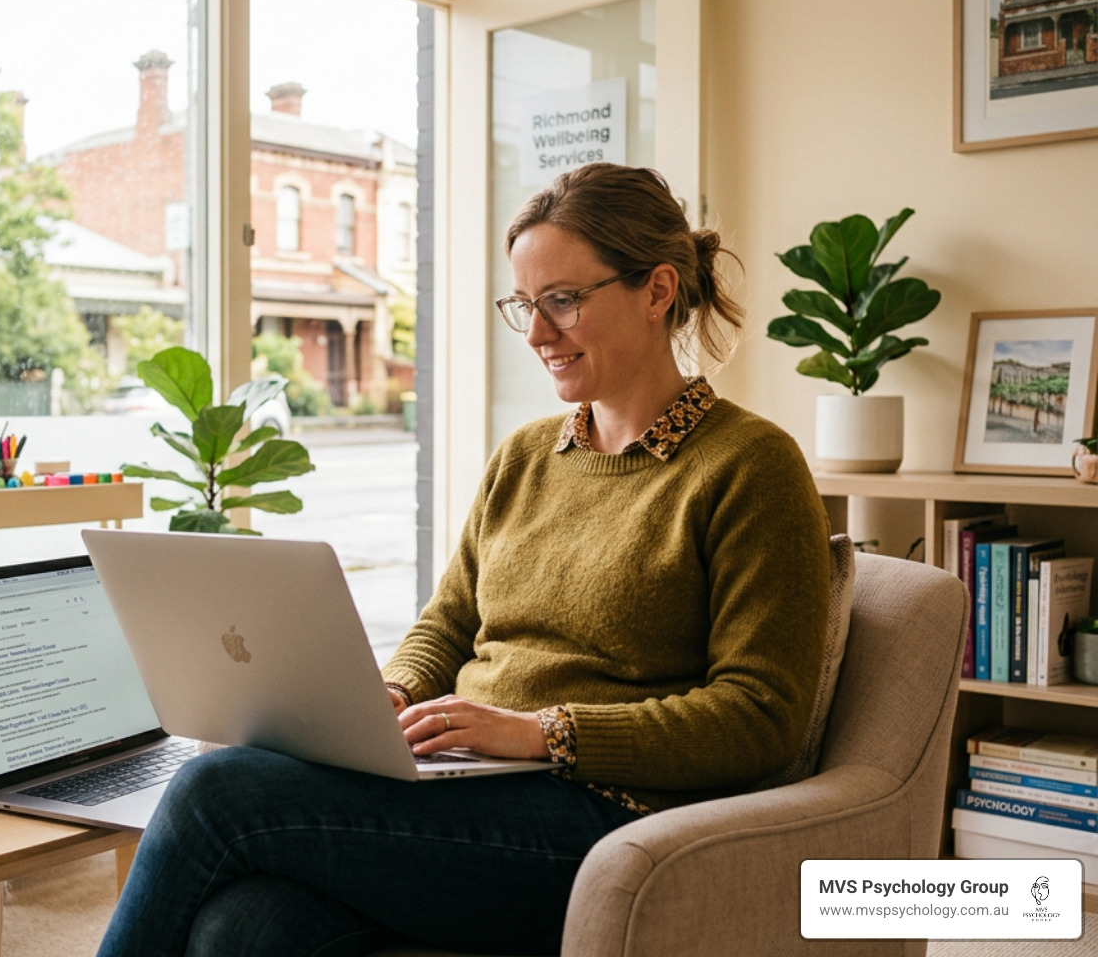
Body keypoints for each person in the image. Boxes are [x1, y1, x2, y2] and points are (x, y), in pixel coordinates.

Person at [94, 163, 832, 957]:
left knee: (215, 793)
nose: (539, 335)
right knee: (240, 929)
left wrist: (543, 734)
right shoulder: (525, 456)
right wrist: (393, 690)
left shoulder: (751, 466)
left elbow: (763, 718)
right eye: (526, 305)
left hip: (611, 821)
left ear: (657, 291)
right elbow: (451, 619)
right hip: (469, 785)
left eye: (563, 301)